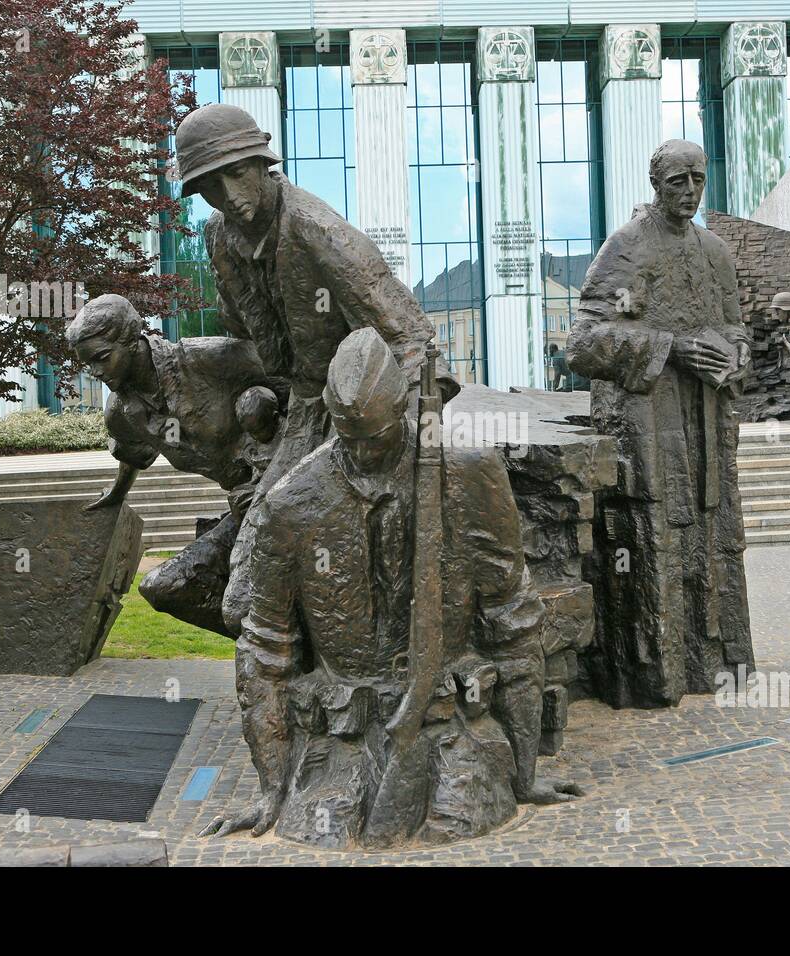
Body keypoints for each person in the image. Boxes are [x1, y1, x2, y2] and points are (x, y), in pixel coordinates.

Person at [201, 328, 577, 847]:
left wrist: (525, 769)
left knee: (458, 815)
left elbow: (513, 620)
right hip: (337, 737)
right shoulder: (289, 505)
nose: (364, 453)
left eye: (376, 437)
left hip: (452, 723)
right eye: (349, 436)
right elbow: (265, 650)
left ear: (403, 409)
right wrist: (272, 788)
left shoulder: (471, 473)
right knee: (324, 825)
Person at [171, 103, 457, 635]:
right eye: (212, 185)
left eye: (238, 174)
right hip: (297, 401)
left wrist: (412, 440)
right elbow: (243, 331)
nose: (231, 196)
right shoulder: (221, 236)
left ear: (263, 164)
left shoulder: (317, 230)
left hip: (355, 412)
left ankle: (301, 659)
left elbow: (411, 339)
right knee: (239, 560)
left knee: (264, 549)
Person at [565, 139, 756, 708]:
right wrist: (669, 349)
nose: (691, 190)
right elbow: (582, 344)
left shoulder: (715, 251)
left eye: (698, 178)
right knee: (654, 545)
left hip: (707, 426)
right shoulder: (627, 247)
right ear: (657, 184)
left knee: (714, 537)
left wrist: (734, 356)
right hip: (648, 425)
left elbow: (737, 328)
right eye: (678, 181)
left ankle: (718, 663)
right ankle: (656, 675)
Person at [67, 294, 283, 634]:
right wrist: (117, 492)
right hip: (243, 507)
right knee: (164, 587)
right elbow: (132, 456)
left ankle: (277, 648)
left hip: (284, 485)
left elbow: (298, 389)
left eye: (102, 359)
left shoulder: (209, 358)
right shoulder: (123, 413)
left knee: (241, 600)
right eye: (88, 365)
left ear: (131, 339)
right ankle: (276, 645)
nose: (95, 373)